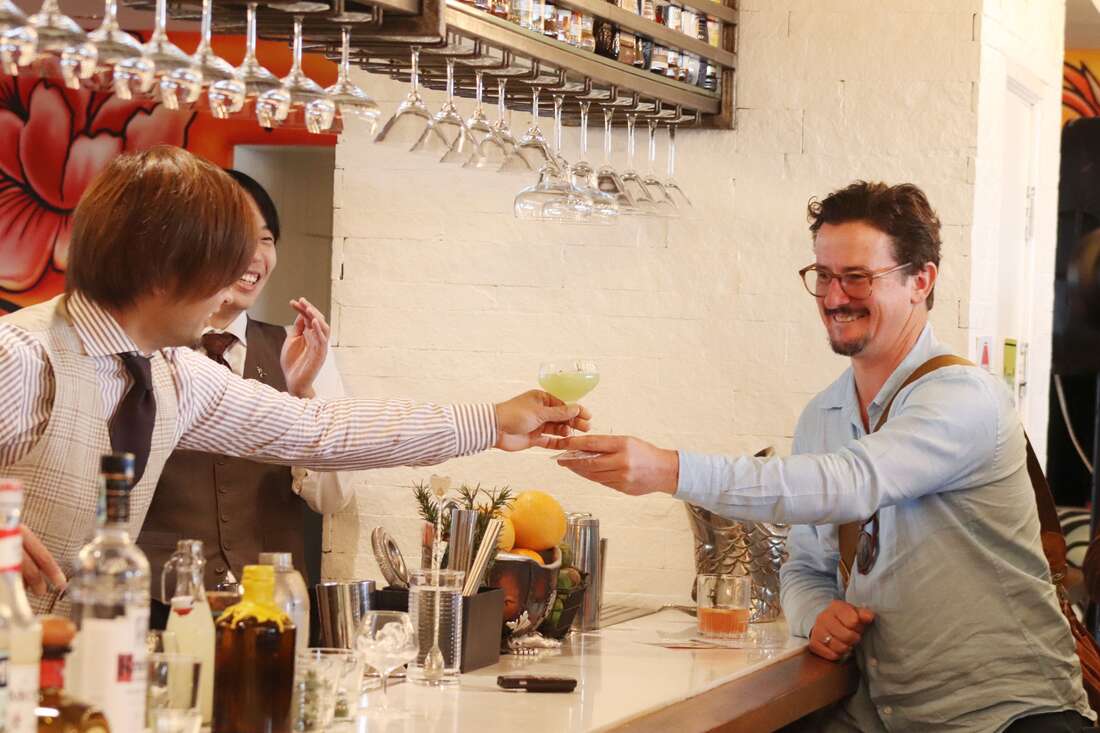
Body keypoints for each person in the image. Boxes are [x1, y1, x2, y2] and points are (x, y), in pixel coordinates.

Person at [552, 182, 1094, 731]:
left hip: (1009, 718)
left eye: (857, 277)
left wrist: (666, 470)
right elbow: (806, 566)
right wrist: (816, 617)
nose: (835, 298)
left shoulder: (962, 397)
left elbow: (850, 483)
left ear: (921, 280)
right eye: (823, 276)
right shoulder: (823, 415)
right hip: (881, 715)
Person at [0, 145, 589, 615]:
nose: (234, 284)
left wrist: (492, 421)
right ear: (162, 270)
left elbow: (318, 429)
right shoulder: (25, 355)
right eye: (221, 266)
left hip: (70, 660)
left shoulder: (172, 372)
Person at [138, 170, 350, 628]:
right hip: (159, 606)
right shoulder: (145, 351)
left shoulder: (302, 350)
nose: (255, 255)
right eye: (236, 237)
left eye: (267, 239)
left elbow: (335, 496)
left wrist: (302, 395)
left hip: (275, 609)